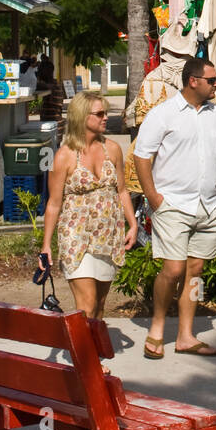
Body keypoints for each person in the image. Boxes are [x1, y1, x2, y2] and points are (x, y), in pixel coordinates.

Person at [133, 56, 216, 359]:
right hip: (173, 204)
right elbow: (142, 155)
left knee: (197, 270)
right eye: (212, 80)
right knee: (173, 268)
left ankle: (186, 336)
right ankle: (157, 328)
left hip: (208, 204)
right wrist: (154, 197)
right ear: (193, 81)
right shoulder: (163, 114)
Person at [41, 91, 137, 319]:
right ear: (82, 117)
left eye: (105, 113)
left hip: (108, 235)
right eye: (100, 113)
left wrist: (132, 224)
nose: (105, 117)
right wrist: (46, 245)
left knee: (100, 306)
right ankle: (83, 353)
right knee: (87, 305)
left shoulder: (112, 149)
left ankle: (91, 350)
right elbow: (54, 204)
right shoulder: (64, 156)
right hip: (77, 237)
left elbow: (122, 190)